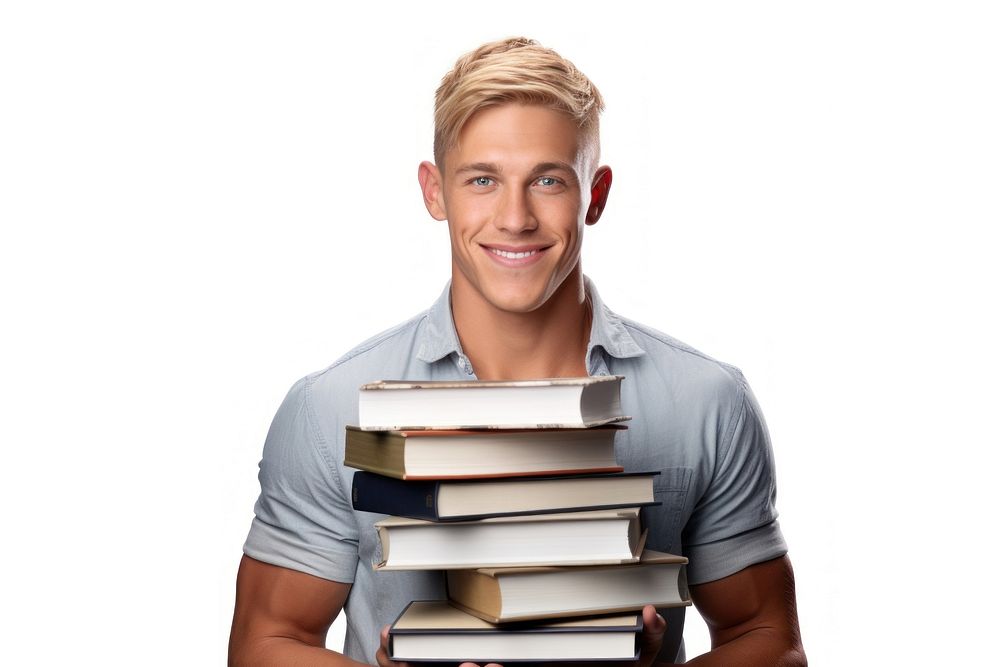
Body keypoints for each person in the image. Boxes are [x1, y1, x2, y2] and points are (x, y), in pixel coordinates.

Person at [229, 37, 806, 666]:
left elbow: (769, 639)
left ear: (597, 194)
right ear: (434, 192)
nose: (515, 217)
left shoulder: (707, 402)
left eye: (548, 180)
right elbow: (265, 644)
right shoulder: (328, 408)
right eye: (482, 180)